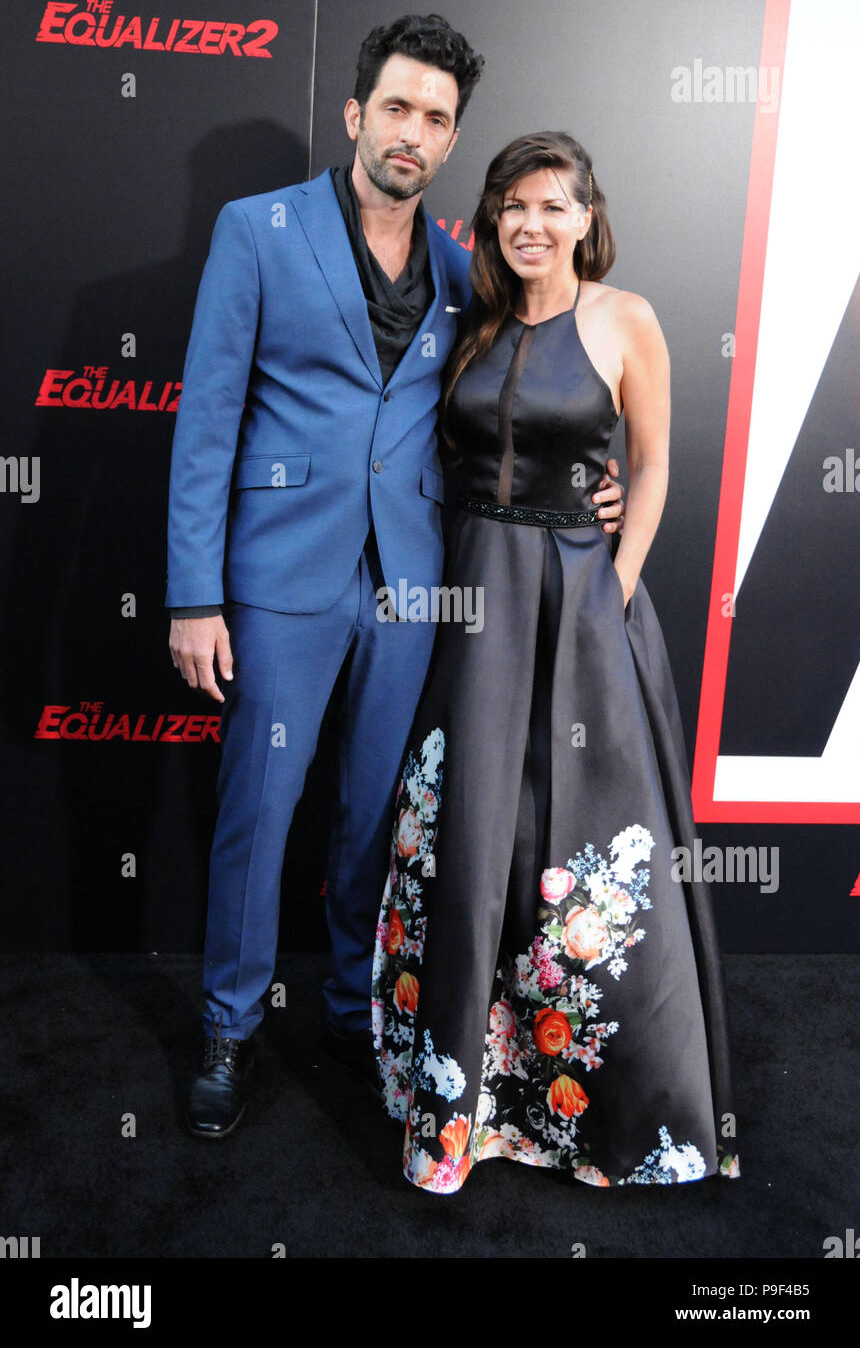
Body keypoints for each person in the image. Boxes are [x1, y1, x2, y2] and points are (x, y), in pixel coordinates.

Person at [165, 16, 628, 1138]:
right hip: (279, 579)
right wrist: (191, 594)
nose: (411, 132)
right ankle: (227, 1027)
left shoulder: (469, 267)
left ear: (450, 136)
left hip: (415, 585)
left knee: (377, 815)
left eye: (434, 118)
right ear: (354, 114)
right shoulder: (257, 230)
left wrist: (593, 479)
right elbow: (207, 419)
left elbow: (542, 375)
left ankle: (349, 1007)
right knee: (258, 813)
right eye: (396, 108)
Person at [372, 131, 741, 1191]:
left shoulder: (626, 321)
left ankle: (598, 1117)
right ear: (489, 220)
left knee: (582, 845)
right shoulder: (472, 321)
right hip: (473, 597)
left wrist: (613, 584)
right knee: (473, 831)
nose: (530, 223)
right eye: (510, 206)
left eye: (552, 205)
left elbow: (656, 465)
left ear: (586, 216)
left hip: (582, 603)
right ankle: (465, 1110)